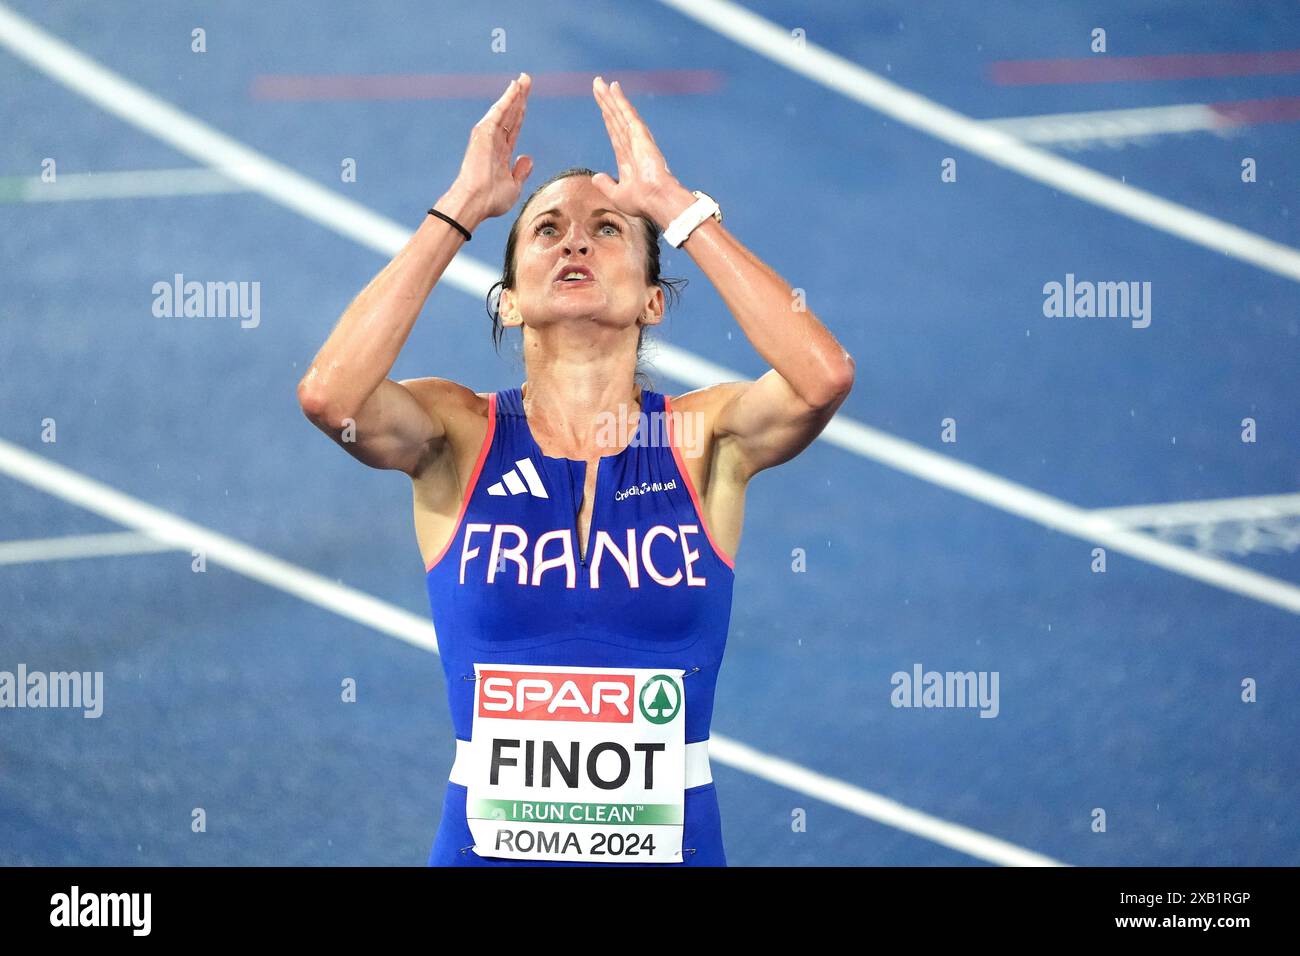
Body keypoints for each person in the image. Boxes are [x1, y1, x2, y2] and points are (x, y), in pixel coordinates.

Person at [297, 72, 855, 865]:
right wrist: (459, 209)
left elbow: (822, 377)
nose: (575, 242)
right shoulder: (459, 436)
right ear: (510, 300)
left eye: (608, 229)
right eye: (547, 231)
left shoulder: (702, 439)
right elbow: (330, 395)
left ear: (653, 302)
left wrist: (676, 207)